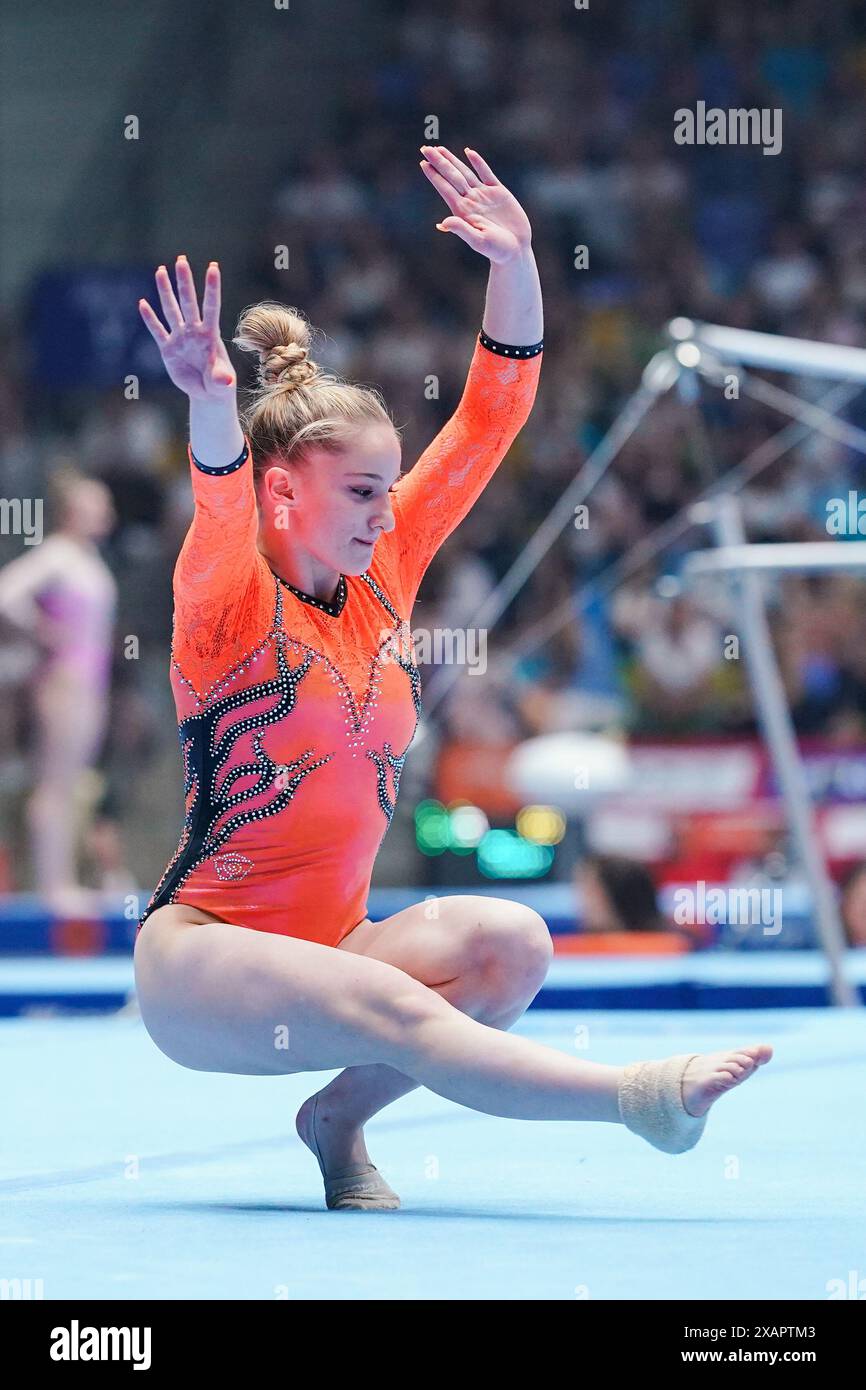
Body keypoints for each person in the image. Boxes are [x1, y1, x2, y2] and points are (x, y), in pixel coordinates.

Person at [133, 143, 772, 1211]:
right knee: (390, 1010)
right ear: (281, 493)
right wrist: (207, 405)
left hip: (337, 941)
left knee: (510, 944)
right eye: (362, 492)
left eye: (392, 491)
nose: (389, 515)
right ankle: (638, 1097)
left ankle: (335, 1121)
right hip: (206, 959)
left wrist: (514, 261)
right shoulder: (224, 603)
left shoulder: (382, 566)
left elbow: (490, 419)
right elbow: (214, 502)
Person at [0, 467, 117, 914]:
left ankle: (62, 880)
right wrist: (42, 633)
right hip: (64, 679)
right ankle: (55, 886)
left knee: (71, 784)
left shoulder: (86, 558)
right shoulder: (58, 555)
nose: (105, 510)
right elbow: (8, 591)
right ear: (72, 510)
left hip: (89, 678)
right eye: (96, 502)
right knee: (56, 781)